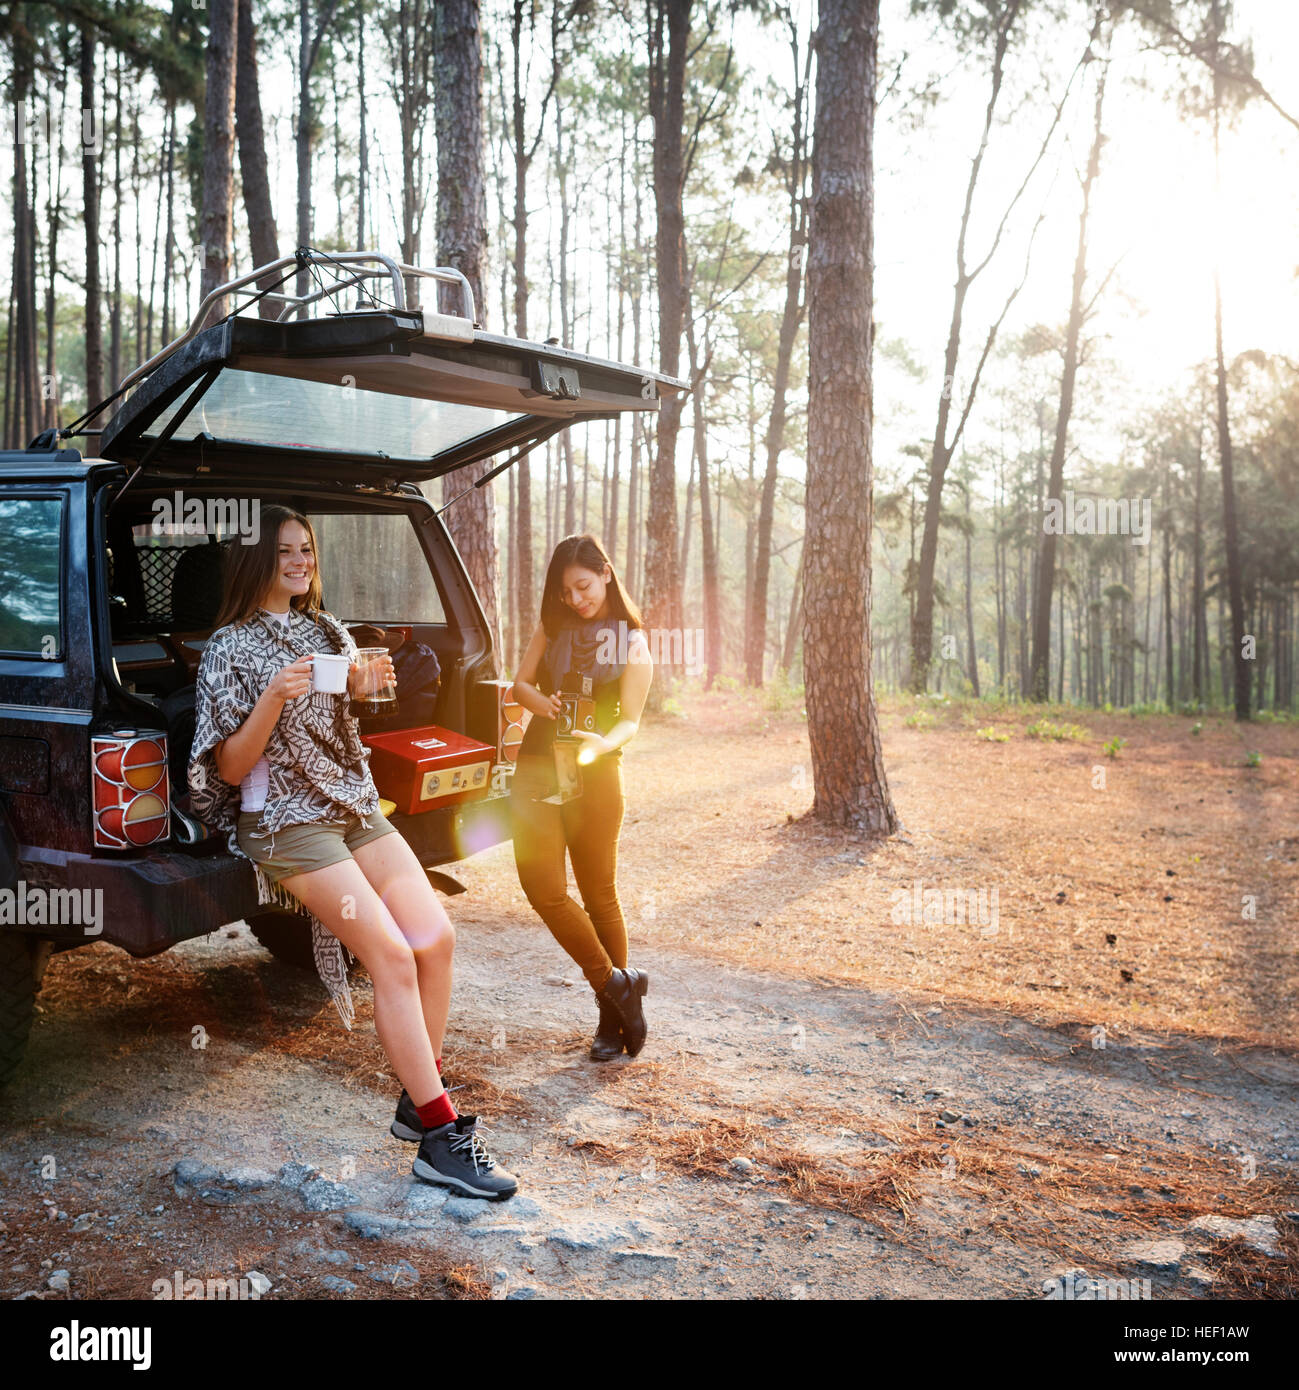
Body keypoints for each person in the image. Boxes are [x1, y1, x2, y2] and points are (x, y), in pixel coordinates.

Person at [188, 504, 517, 1200]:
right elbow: (226, 767)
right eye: (283, 551)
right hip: (284, 820)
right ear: (256, 560)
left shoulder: (326, 629)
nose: (300, 561)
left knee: (435, 939)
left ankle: (416, 1094)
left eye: (306, 549)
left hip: (353, 805)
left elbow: (353, 717)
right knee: (391, 957)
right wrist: (275, 695)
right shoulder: (227, 649)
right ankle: (438, 1135)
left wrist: (371, 686)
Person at [509, 534, 654, 1061]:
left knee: (599, 896)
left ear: (607, 574)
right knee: (542, 887)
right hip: (536, 768)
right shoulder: (554, 625)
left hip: (595, 773)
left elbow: (632, 722)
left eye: (583, 586)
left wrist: (603, 741)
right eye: (566, 590)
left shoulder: (632, 640)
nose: (575, 598)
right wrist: (539, 702)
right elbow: (518, 686)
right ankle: (618, 985)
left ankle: (611, 1021)